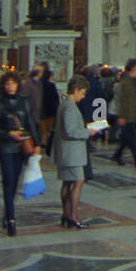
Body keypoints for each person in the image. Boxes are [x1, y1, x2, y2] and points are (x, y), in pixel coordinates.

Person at [0, 70, 40, 236]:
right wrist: (8, 134)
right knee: (8, 181)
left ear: (18, 85)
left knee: (15, 182)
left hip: (21, 147)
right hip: (5, 147)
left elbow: (30, 122)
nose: (10, 86)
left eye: (13, 83)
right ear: (3, 86)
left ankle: (7, 211)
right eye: (7, 84)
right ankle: (11, 219)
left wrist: (37, 143)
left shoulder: (24, 101)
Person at [53, 75, 92, 228]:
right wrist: (88, 132)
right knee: (78, 181)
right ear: (76, 90)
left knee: (67, 183)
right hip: (71, 153)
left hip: (66, 152)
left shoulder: (65, 104)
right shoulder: (69, 106)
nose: (83, 97)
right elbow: (70, 131)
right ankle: (73, 216)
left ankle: (66, 213)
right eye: (82, 93)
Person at [112, 59, 136, 168]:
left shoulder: (134, 80)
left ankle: (117, 155)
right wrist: (122, 116)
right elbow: (123, 100)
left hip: (133, 114)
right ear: (133, 67)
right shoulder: (126, 82)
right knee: (131, 138)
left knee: (127, 138)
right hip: (127, 115)